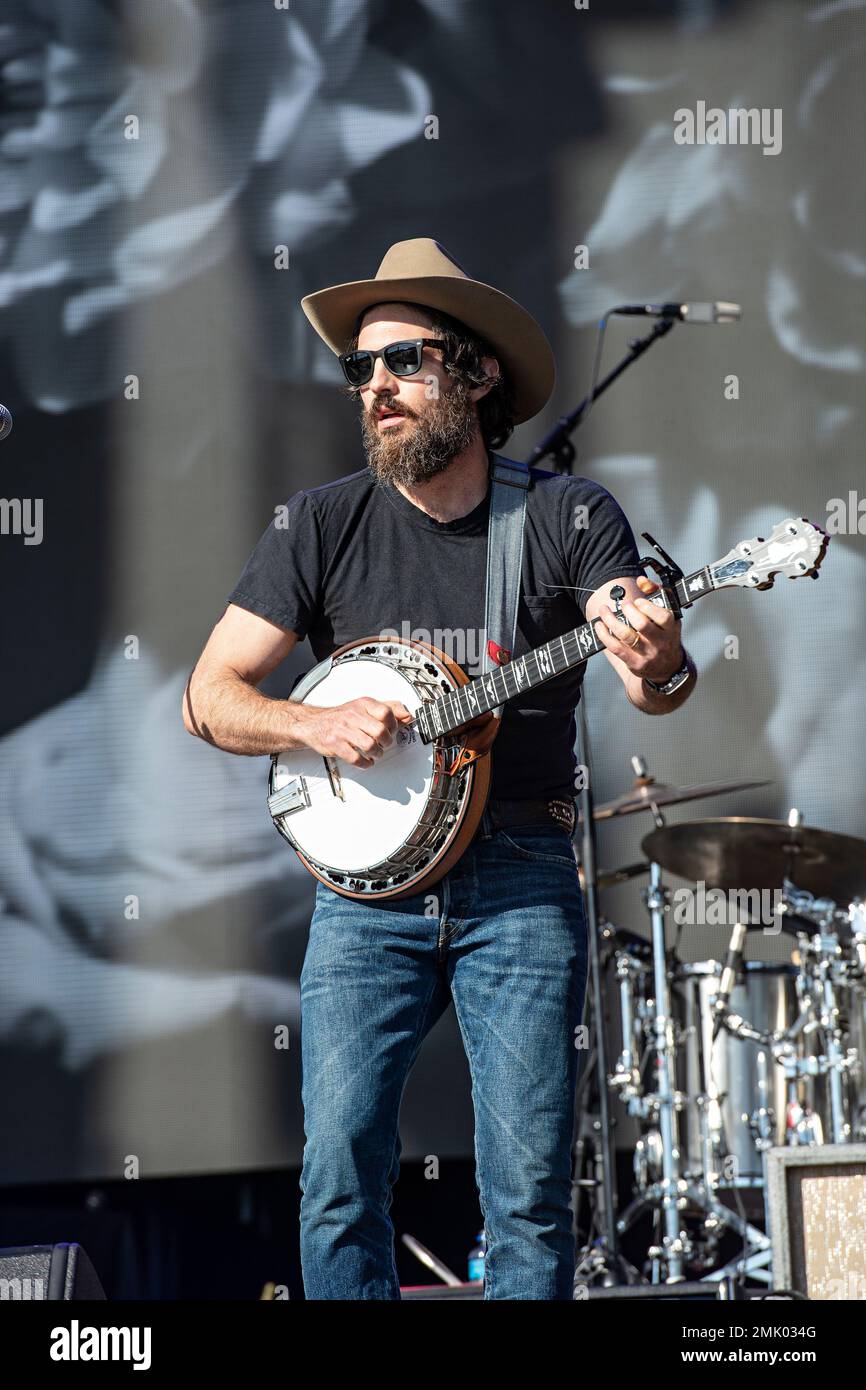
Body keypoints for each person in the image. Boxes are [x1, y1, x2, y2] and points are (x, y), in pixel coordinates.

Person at [182, 238, 697, 1299]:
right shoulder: (321, 524)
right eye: (360, 370)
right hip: (363, 897)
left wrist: (658, 657)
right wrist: (309, 727)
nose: (374, 387)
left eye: (404, 360)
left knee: (525, 1192)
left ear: (475, 374)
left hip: (517, 872)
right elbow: (207, 697)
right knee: (336, 1176)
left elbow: (649, 675)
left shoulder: (563, 515)